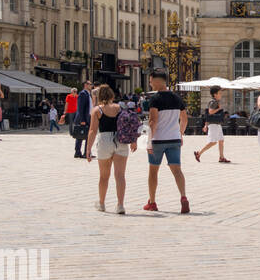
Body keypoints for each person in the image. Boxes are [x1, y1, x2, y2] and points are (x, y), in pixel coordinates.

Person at [143, 68, 189, 213]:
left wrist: (149, 141)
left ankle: (152, 202)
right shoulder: (177, 98)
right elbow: (184, 119)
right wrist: (180, 133)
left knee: (153, 171)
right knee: (177, 170)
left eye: (151, 82)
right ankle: (183, 197)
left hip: (159, 140)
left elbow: (153, 121)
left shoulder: (155, 99)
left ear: (157, 81)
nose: (150, 85)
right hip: (174, 139)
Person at [86, 84, 137, 213]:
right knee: (120, 175)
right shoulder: (119, 108)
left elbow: (92, 131)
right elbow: (129, 123)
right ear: (111, 95)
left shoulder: (97, 110)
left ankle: (102, 203)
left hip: (104, 140)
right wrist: (133, 140)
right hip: (120, 140)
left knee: (104, 176)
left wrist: (88, 149)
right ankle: (120, 205)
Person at [194, 85, 230, 164]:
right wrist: (218, 109)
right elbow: (210, 112)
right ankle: (199, 153)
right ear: (215, 94)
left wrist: (206, 125)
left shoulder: (216, 102)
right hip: (214, 125)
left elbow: (207, 114)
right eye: (219, 93)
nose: (221, 95)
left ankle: (221, 157)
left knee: (221, 140)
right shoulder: (213, 102)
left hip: (217, 124)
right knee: (213, 142)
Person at [73, 80, 93, 159]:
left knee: (86, 135)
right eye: (90, 84)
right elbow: (80, 108)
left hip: (88, 117)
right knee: (80, 135)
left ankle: (85, 152)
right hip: (84, 118)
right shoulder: (82, 94)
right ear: (85, 85)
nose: (91, 86)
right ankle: (80, 152)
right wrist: (82, 119)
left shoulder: (88, 94)